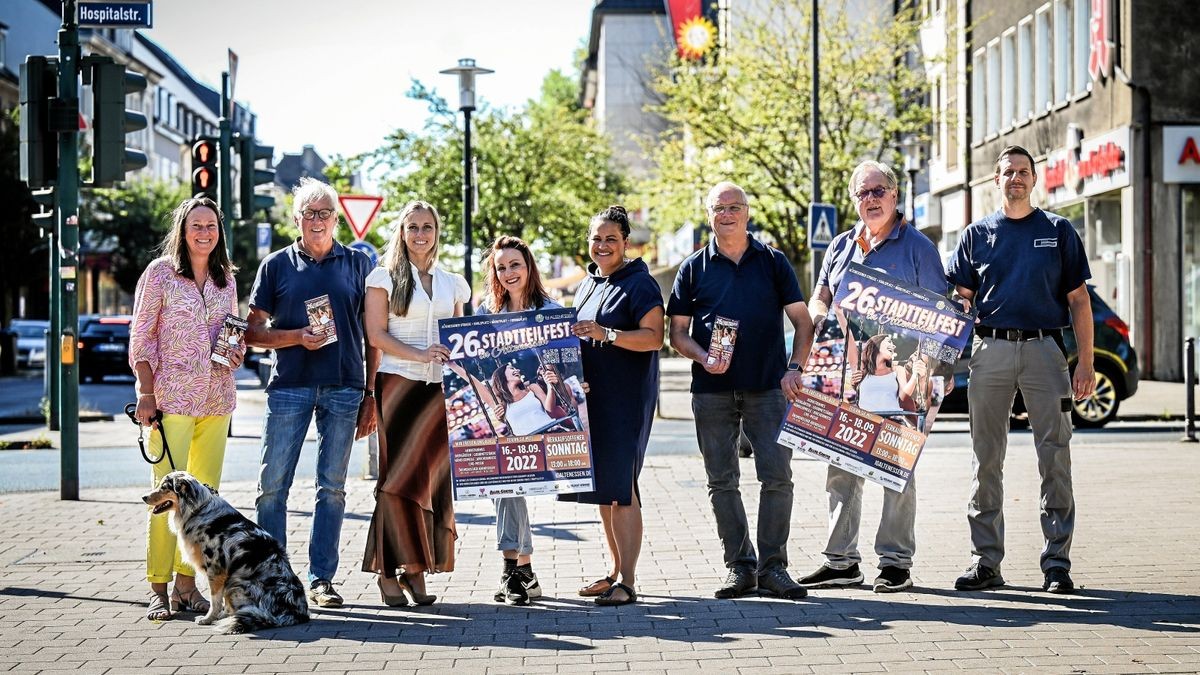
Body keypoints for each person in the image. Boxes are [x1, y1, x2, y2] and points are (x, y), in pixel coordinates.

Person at [947, 145, 1094, 595]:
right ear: (996, 180)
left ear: (1035, 178)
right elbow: (961, 299)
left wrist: (1085, 361)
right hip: (989, 350)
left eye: (1023, 172)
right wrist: (947, 328)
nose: (1015, 178)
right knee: (985, 458)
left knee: (1055, 455)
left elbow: (1079, 301)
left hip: (1044, 350)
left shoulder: (1058, 230)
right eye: (1007, 171)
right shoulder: (976, 234)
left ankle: (1056, 564)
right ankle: (985, 562)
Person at [798, 160, 947, 594]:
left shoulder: (918, 247)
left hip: (901, 377)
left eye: (878, 190)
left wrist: (933, 372)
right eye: (862, 193)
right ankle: (841, 562)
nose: (871, 200)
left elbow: (940, 313)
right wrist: (821, 313)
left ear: (895, 195)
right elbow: (821, 293)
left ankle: (896, 562)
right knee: (840, 467)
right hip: (846, 375)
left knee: (895, 468)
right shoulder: (841, 246)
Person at [667, 182, 814, 601]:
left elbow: (804, 323)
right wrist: (702, 356)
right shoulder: (693, 268)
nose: (727, 214)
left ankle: (774, 569)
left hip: (769, 387)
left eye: (734, 207)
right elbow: (676, 333)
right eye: (719, 208)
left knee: (777, 477)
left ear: (747, 213)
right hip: (711, 390)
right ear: (709, 214)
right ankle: (740, 567)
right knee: (721, 481)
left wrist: (795, 368)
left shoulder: (773, 262)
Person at [246, 178, 379, 608]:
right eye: (310, 212)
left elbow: (373, 336)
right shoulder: (275, 266)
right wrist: (296, 338)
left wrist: (371, 392)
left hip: (345, 387)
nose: (317, 220)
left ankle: (321, 579)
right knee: (272, 486)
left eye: (325, 212)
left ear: (336, 218)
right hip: (289, 386)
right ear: (296, 218)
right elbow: (253, 332)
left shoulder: (358, 265)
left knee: (333, 487)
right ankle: (273, 577)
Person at [129, 196, 243, 621]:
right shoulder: (159, 274)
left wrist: (235, 352)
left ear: (219, 231)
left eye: (211, 225)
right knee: (165, 497)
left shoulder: (225, 278)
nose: (204, 233)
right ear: (183, 229)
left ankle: (186, 586)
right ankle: (158, 589)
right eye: (196, 225)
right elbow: (141, 338)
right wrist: (146, 392)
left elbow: (234, 333)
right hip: (170, 400)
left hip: (217, 400)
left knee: (204, 500)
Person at [361, 200, 470, 607]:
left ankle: (418, 569)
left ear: (436, 232)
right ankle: (388, 572)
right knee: (398, 480)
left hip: (439, 391)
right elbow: (376, 335)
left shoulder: (452, 282)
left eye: (427, 226)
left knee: (430, 482)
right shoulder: (383, 277)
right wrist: (420, 353)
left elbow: (459, 335)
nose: (420, 234)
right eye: (413, 227)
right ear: (402, 232)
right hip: (399, 385)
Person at [448, 235, 560, 606]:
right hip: (507, 423)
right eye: (501, 267)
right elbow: (477, 376)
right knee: (506, 486)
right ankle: (519, 571)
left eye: (515, 264)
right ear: (493, 273)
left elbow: (567, 362)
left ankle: (514, 570)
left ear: (529, 267)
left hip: (544, 428)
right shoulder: (484, 316)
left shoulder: (551, 311)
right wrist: (453, 362)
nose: (509, 272)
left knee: (512, 487)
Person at [566, 205, 664, 607]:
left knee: (622, 488)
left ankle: (628, 579)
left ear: (626, 242)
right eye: (596, 238)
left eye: (611, 238)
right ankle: (613, 571)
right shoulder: (588, 284)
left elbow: (654, 338)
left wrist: (608, 333)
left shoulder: (640, 284)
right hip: (593, 396)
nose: (602, 245)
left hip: (626, 397)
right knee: (605, 489)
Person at [850, 334, 924, 413]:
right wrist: (854, 383)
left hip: (891, 420)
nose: (894, 346)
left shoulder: (897, 370)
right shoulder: (863, 369)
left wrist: (915, 376)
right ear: (876, 344)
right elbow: (849, 339)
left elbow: (903, 397)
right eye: (889, 341)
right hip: (867, 421)